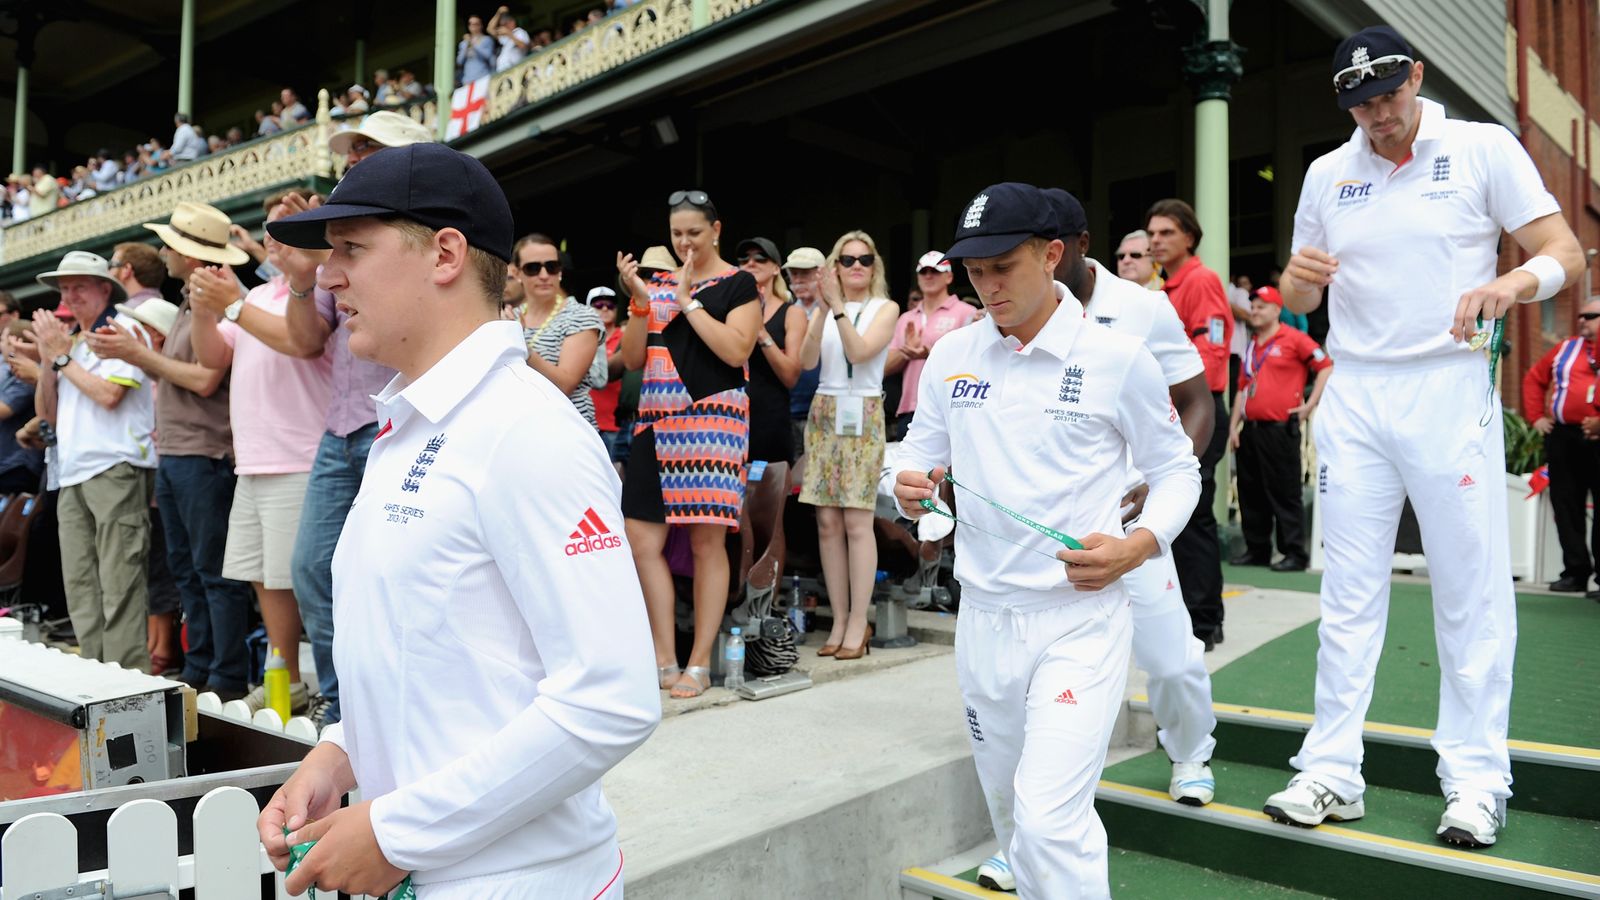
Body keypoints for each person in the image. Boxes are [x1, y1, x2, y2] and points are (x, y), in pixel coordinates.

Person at [257, 142, 657, 899]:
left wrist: (398, 831)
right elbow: (434, 654)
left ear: (444, 253)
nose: (327, 274)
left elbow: (611, 697)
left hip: (517, 881)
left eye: (351, 248)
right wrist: (341, 754)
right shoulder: (410, 419)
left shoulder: (522, 427)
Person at [1264, 25, 1585, 848]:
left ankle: (1477, 781)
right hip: (1358, 392)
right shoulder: (1327, 172)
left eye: (1387, 98)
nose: (1378, 118)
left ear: (1417, 75)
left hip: (1447, 389)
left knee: (1469, 591)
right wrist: (1296, 285)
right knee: (1348, 592)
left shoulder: (1481, 147)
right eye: (1361, 107)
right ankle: (1332, 769)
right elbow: (1301, 286)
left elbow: (1566, 251)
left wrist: (1508, 282)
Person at [890, 183, 1199, 898]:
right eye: (974, 270)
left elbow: (1177, 470)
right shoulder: (952, 356)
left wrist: (1138, 545)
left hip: (1078, 622)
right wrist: (906, 484)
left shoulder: (1118, 358)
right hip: (983, 620)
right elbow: (911, 457)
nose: (986, 285)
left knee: (1050, 820)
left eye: (1003, 266)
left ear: (1051, 253)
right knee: (1013, 822)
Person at [95, 204, 253, 701]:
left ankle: (224, 676)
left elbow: (206, 380)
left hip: (203, 453)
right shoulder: (191, 299)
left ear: (189, 251)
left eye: (170, 243)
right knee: (189, 570)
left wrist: (139, 355)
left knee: (211, 571)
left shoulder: (209, 300)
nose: (163, 252)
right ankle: (203, 667)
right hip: (182, 454)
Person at [188, 200, 335, 717]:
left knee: (300, 579)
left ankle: (326, 691)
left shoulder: (318, 287)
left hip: (299, 452)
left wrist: (230, 306)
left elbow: (303, 344)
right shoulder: (257, 294)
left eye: (285, 227)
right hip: (252, 457)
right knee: (261, 576)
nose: (273, 235)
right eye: (270, 227)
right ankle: (286, 681)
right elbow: (211, 357)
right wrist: (207, 310)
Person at [616, 190, 760, 699]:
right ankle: (662, 656)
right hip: (655, 419)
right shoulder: (655, 284)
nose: (685, 243)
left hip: (714, 422)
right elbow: (632, 357)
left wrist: (687, 303)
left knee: (706, 542)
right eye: (677, 234)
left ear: (716, 230)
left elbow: (736, 348)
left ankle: (699, 662)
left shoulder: (740, 284)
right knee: (641, 539)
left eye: (694, 233)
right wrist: (638, 299)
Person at [31, 251, 157, 672]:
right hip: (71, 473)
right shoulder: (73, 342)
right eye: (65, 288)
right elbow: (47, 413)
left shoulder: (123, 329)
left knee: (120, 582)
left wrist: (62, 357)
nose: (70, 294)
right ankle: (92, 673)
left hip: (115, 467)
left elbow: (108, 396)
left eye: (79, 285)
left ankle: (125, 683)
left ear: (106, 288)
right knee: (81, 583)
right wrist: (50, 362)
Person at [798, 231, 898, 660]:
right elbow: (805, 362)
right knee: (827, 523)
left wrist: (836, 306)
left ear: (874, 266)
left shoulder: (886, 308)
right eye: (847, 259)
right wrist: (822, 309)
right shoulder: (826, 309)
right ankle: (839, 618)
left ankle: (860, 619)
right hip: (825, 409)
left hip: (864, 409)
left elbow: (860, 354)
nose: (857, 265)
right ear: (835, 267)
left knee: (858, 522)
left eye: (865, 258)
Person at [1146, 197, 1231, 649]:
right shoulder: (1165, 287)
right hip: (1171, 410)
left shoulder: (1201, 281)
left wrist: (1191, 406)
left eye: (1166, 233)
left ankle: (1205, 620)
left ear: (1189, 237)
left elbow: (1212, 353)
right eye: (1152, 233)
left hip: (1197, 409)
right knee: (1173, 513)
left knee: (1194, 514)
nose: (1156, 240)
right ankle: (1185, 613)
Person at [1227, 285, 1332, 573]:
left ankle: (1294, 553)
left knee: (1284, 491)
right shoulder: (1252, 344)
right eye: (1253, 306)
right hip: (1251, 428)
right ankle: (1257, 549)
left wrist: (1310, 404)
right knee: (1250, 491)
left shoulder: (1293, 338)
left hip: (1279, 427)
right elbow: (1241, 389)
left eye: (1262, 306)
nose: (1256, 311)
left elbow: (1325, 365)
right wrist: (1234, 426)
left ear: (1277, 309)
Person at [1522, 298, 1600, 593]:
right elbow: (1533, 379)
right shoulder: (1566, 348)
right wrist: (1536, 417)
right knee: (1565, 502)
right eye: (1580, 316)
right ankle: (1575, 571)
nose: (1582, 321)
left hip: (1597, 436)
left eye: (1591, 316)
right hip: (1565, 436)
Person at [512, 234, 604, 427]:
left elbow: (565, 384)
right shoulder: (510, 317)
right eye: (533, 268)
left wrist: (520, 344)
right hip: (522, 427)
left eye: (551, 267)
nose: (544, 275)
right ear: (517, 273)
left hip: (568, 430)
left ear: (560, 271)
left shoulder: (581, 316)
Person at [885, 251, 978, 441]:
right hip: (912, 409)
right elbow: (885, 368)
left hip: (954, 407)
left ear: (949, 276)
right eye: (923, 271)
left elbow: (975, 361)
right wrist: (906, 353)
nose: (928, 276)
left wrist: (930, 353)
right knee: (910, 470)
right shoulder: (907, 318)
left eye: (935, 271)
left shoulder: (967, 313)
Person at [736, 236, 806, 467]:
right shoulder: (729, 310)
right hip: (731, 418)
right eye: (744, 258)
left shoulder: (792, 313)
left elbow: (791, 375)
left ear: (776, 268)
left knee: (769, 499)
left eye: (760, 258)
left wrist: (761, 333)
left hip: (770, 420)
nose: (751, 262)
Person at [783, 246, 826, 454]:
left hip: (825, 411)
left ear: (822, 274)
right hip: (788, 409)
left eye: (805, 273)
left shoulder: (837, 311)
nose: (798, 279)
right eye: (794, 273)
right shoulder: (783, 311)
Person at [587, 286, 629, 472]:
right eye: (599, 304)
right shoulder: (582, 337)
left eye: (610, 305)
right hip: (588, 422)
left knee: (616, 481)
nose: (605, 309)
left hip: (616, 425)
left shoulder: (626, 336)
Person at [458, 14, 497, 85]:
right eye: (470, 24)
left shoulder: (487, 40)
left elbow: (488, 56)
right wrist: (467, 45)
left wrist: (473, 44)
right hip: (467, 80)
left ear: (481, 26)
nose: (473, 26)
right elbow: (459, 61)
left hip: (483, 77)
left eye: (476, 24)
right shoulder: (464, 43)